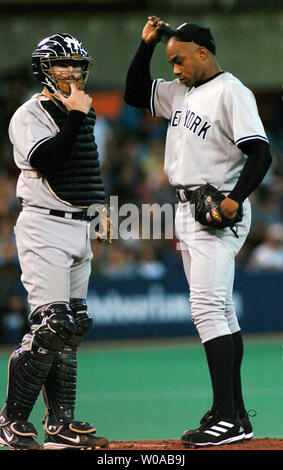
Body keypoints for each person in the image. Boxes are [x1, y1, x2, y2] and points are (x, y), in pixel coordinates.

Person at [124, 16, 272, 447]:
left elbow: (260, 153)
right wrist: (147, 44)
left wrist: (234, 200)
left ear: (203, 52)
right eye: (170, 62)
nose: (174, 69)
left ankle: (226, 415)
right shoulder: (181, 92)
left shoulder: (232, 91)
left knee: (206, 309)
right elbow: (135, 93)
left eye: (180, 60)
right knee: (221, 310)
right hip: (187, 208)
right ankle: (236, 416)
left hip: (215, 208)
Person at [0, 33, 111, 450]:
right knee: (53, 324)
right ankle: (10, 420)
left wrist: (100, 208)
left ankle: (61, 424)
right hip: (44, 225)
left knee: (74, 325)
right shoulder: (29, 114)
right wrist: (78, 117)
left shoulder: (81, 108)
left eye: (77, 65)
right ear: (44, 70)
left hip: (79, 225)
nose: (72, 72)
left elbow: (84, 164)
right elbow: (49, 161)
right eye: (63, 64)